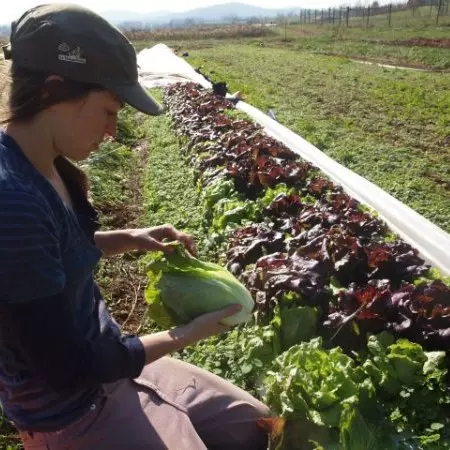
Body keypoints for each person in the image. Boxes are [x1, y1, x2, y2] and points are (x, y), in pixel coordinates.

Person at [0, 4, 270, 449]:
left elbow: (58, 249)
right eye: (109, 110)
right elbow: (66, 367)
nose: (112, 130)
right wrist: (184, 335)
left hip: (113, 360)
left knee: (256, 428)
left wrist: (132, 239)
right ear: (53, 90)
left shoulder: (48, 166)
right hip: (73, 409)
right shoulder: (11, 204)